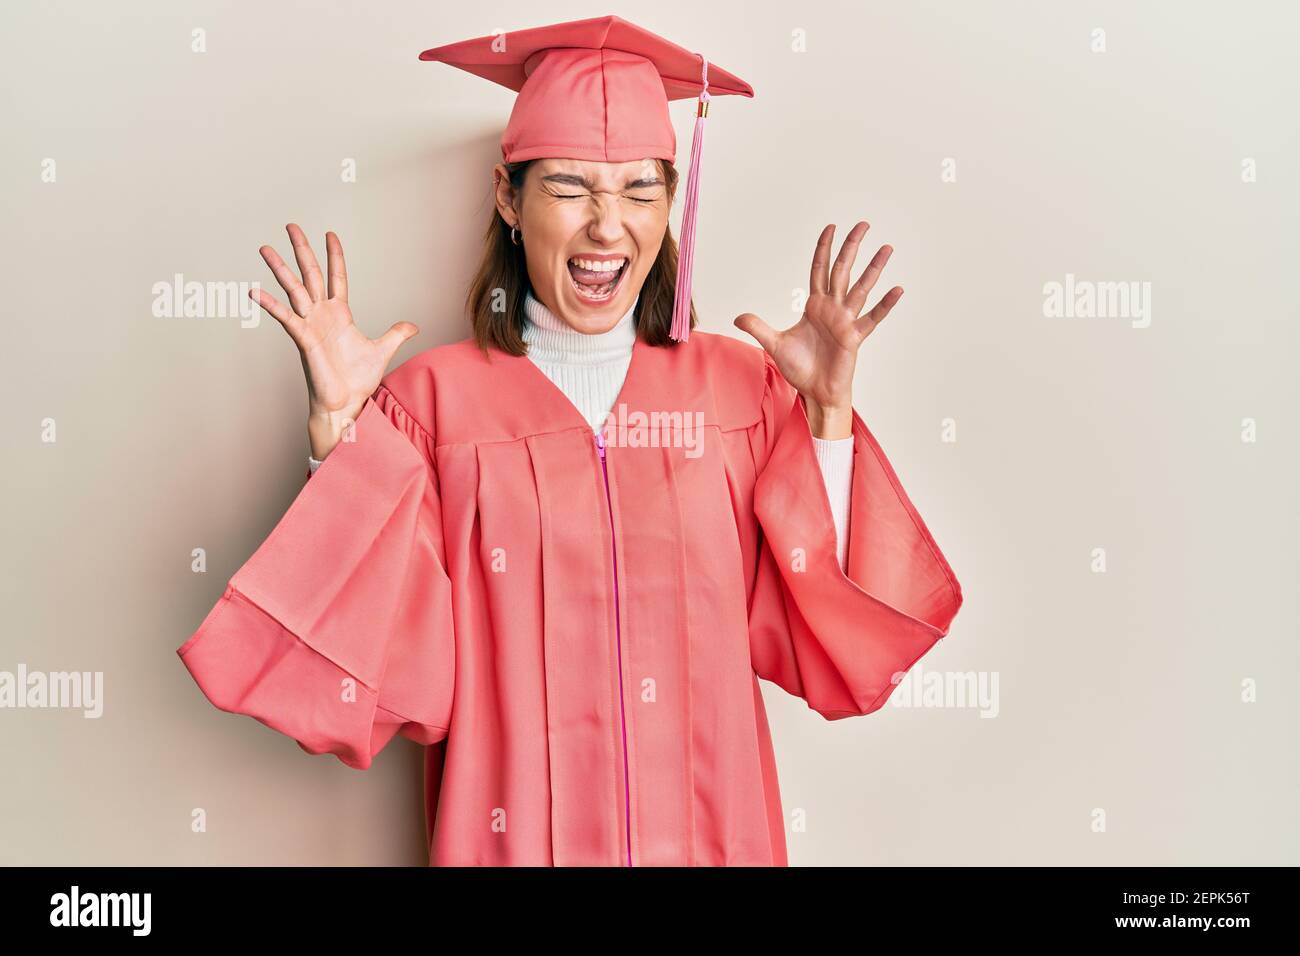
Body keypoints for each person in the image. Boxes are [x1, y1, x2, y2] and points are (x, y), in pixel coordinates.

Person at [176, 15, 963, 867]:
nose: (606, 224)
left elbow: (829, 638)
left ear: (671, 203)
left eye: (637, 189)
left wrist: (828, 417)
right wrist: (338, 439)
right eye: (570, 189)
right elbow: (381, 673)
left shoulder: (738, 394)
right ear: (509, 198)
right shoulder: (433, 407)